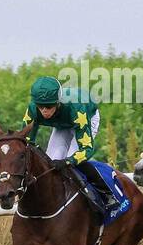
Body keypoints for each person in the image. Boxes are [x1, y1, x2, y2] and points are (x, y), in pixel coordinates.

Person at [21, 76, 118, 214]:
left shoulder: (76, 108)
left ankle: (107, 194)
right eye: (40, 106)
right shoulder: (32, 109)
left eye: (49, 106)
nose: (44, 111)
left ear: (58, 102)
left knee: (74, 164)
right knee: (50, 164)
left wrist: (68, 161)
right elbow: (26, 142)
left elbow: (87, 149)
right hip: (62, 124)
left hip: (85, 118)